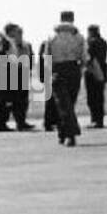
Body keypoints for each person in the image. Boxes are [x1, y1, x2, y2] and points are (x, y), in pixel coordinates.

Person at [46, 13, 86, 147]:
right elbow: (84, 57)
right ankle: (68, 133)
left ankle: (65, 132)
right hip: (73, 68)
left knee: (63, 103)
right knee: (70, 103)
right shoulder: (79, 37)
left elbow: (47, 57)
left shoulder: (52, 37)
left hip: (58, 69)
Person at [0, 23, 35, 131]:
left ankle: (21, 122)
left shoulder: (25, 44)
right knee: (5, 101)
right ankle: (1, 124)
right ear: (10, 31)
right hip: (8, 74)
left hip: (22, 73)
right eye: (16, 30)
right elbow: (0, 56)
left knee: (22, 100)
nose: (19, 32)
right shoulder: (5, 42)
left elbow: (30, 56)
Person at [84, 24, 107, 128]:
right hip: (102, 71)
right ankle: (100, 119)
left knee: (92, 98)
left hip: (92, 71)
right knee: (100, 97)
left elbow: (88, 57)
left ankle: (95, 119)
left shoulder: (90, 43)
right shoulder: (103, 42)